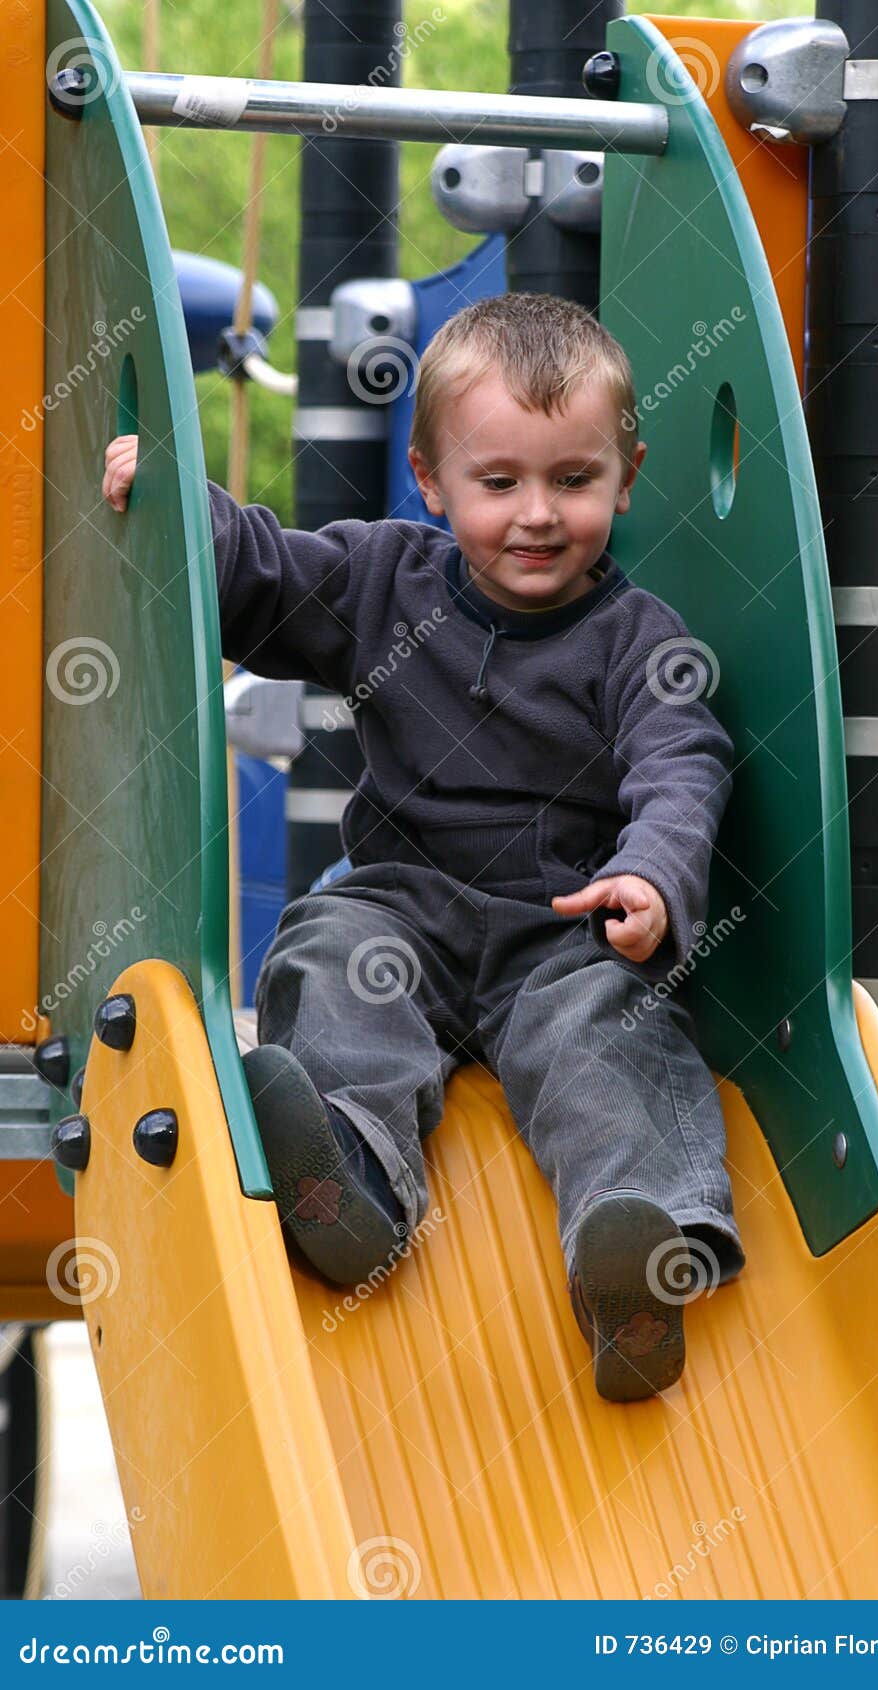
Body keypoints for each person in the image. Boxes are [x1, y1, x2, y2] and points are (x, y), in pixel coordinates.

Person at [102, 291, 744, 1403]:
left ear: (625, 476)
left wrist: (648, 872)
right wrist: (167, 502)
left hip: (561, 927)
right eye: (498, 483)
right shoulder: (379, 583)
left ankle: (637, 1257)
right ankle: (350, 1180)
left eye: (573, 479)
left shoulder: (640, 643)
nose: (536, 514)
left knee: (605, 1039)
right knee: (330, 950)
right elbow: (258, 568)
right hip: (405, 906)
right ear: (431, 477)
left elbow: (681, 760)